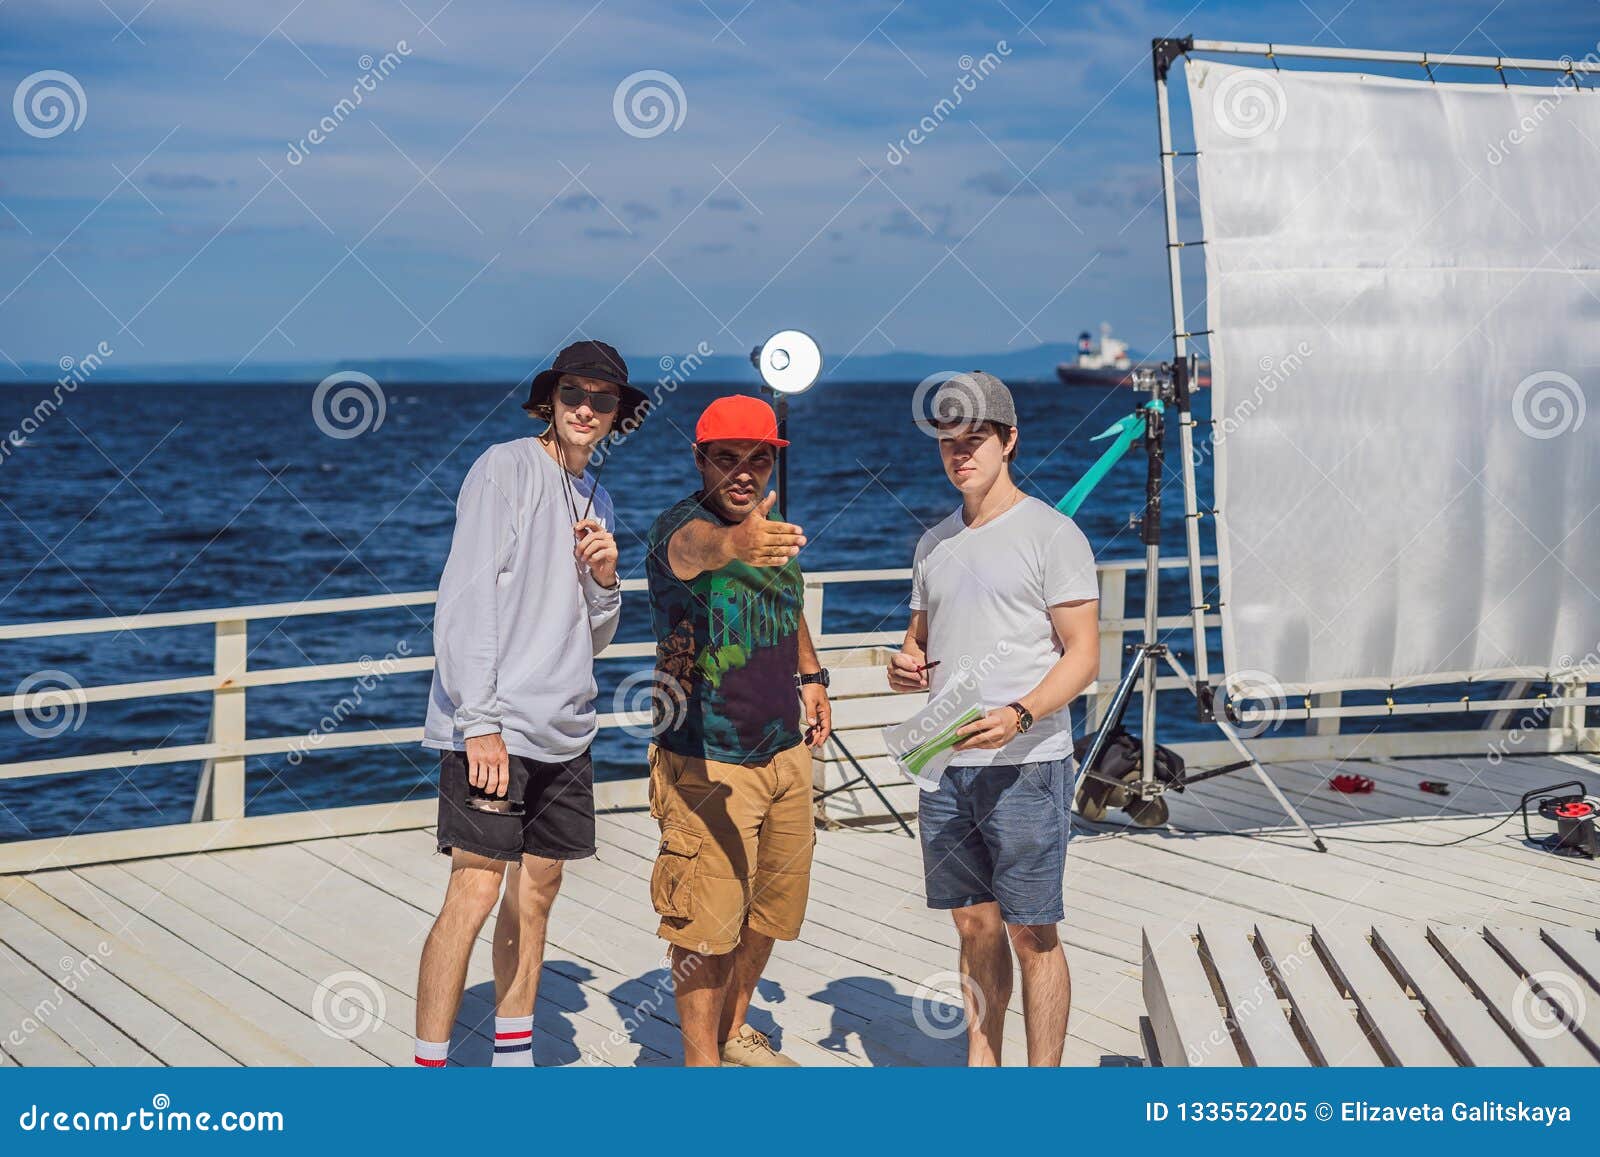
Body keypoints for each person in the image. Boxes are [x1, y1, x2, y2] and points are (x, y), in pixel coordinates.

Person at [413, 339, 647, 1067]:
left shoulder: (597, 498)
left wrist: (607, 578)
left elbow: (593, 634)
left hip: (566, 731)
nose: (586, 408)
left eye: (602, 399)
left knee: (537, 894)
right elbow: (464, 599)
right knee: (475, 891)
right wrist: (477, 722)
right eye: (573, 393)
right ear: (549, 398)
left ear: (617, 415)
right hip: (497, 727)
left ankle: (514, 1068)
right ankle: (429, 1070)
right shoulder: (505, 468)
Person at [887, 371, 1100, 1067]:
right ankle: (985, 1066)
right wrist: (907, 662)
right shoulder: (934, 544)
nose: (960, 454)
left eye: (974, 439)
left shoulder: (1052, 534)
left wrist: (1020, 712)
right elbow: (923, 638)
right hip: (945, 766)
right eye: (949, 442)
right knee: (973, 924)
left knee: (1032, 932)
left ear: (1009, 441)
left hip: (1027, 764)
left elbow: (1084, 657)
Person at [643, 394, 832, 1067]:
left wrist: (812, 676)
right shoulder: (681, 527)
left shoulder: (771, 528)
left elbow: (787, 601)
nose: (744, 472)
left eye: (759, 458)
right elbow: (698, 552)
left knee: (770, 911)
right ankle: (702, 1069)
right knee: (704, 926)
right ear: (699, 461)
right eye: (727, 459)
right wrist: (736, 542)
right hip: (704, 759)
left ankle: (735, 1027)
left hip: (784, 748)